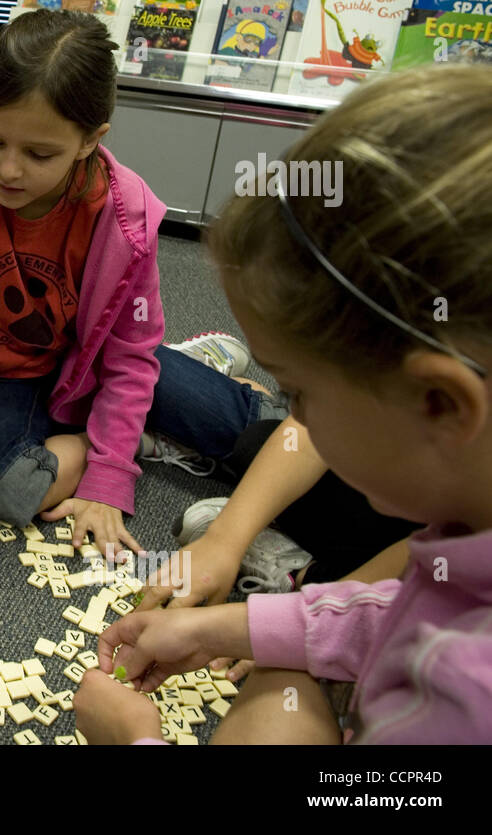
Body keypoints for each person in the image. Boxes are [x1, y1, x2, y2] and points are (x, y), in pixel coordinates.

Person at [74, 65, 492, 744]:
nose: (292, 411)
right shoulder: (465, 525)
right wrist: (235, 625)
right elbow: (407, 600)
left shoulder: (463, 697)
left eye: (299, 392)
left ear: (442, 404)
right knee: (281, 675)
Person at [0, 9, 166, 558]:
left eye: (40, 154)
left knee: (247, 431)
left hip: (93, 367)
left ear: (92, 140)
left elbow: (130, 356)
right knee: (4, 485)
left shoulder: (128, 220)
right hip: (7, 372)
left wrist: (108, 476)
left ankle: (140, 416)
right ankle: (127, 432)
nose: (9, 170)